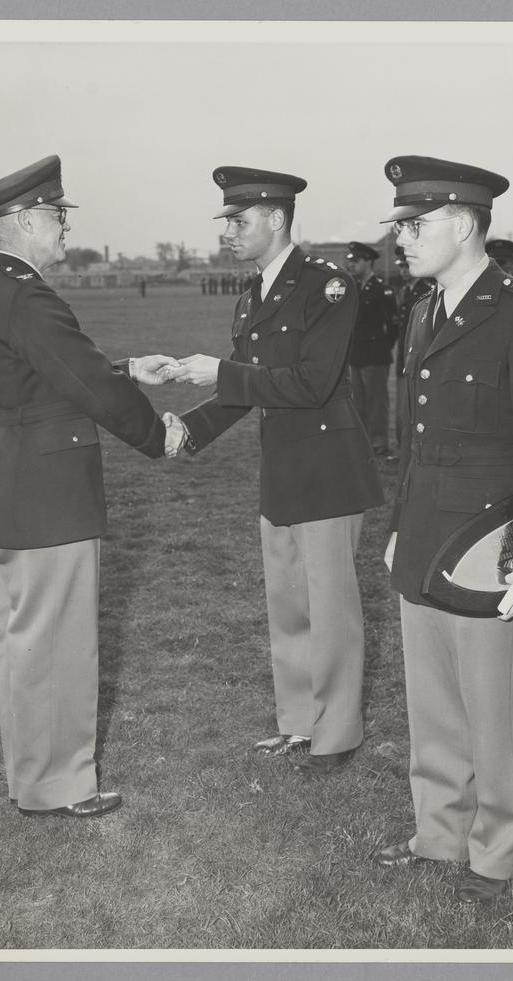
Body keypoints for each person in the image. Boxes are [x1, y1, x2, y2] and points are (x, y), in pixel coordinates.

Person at [375, 156, 513, 902]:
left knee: (492, 706)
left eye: (415, 225)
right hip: (426, 535)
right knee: (431, 700)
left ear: (462, 225)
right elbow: (419, 436)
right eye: (400, 225)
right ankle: (437, 833)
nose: (401, 239)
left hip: (489, 543)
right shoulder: (425, 307)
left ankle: (495, 849)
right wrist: (400, 525)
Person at [0, 155, 177, 819]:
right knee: (57, 647)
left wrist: (130, 364)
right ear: (25, 220)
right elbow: (86, 385)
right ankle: (59, 784)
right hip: (51, 499)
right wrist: (155, 434)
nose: (64, 229)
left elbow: (49, 373)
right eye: (56, 217)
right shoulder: (27, 296)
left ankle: (33, 776)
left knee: (26, 644)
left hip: (14, 492)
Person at [164, 166, 384, 776]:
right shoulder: (252, 294)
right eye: (226, 221)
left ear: (277, 219)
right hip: (282, 468)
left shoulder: (328, 286)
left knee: (331, 609)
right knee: (289, 605)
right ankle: (297, 723)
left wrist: (221, 372)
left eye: (238, 220)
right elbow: (245, 387)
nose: (227, 232)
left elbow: (310, 384)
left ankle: (336, 733)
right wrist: (191, 426)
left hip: (327, 467)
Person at [345, 241, 399, 455]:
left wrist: (383, 346)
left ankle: (379, 443)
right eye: (350, 261)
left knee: (376, 402)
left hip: (375, 355)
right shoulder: (353, 289)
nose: (351, 266)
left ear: (368, 262)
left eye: (356, 261)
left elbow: (393, 325)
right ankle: (364, 441)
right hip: (357, 354)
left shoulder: (382, 291)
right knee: (358, 402)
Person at [389, 250, 433, 460]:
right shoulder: (405, 291)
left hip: (418, 359)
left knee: (414, 409)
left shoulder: (426, 291)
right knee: (401, 410)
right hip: (404, 359)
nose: (403, 271)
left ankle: (411, 451)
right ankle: (402, 449)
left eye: (406, 266)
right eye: (401, 267)